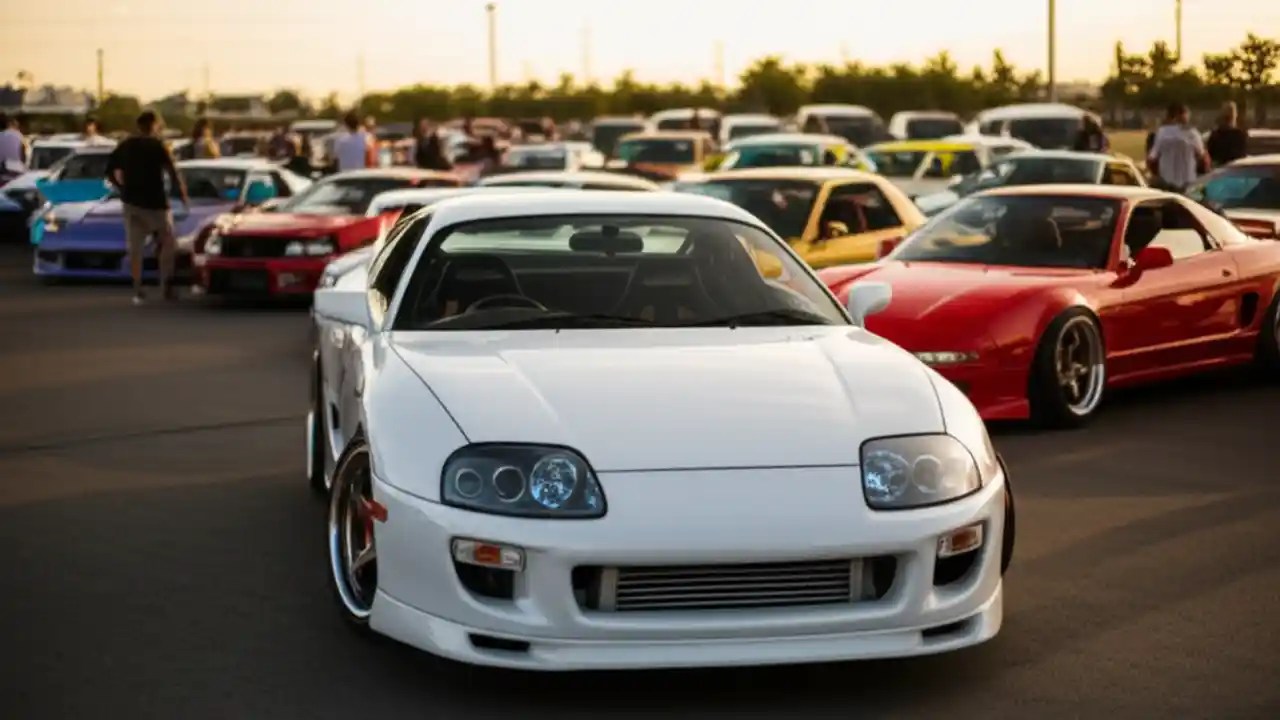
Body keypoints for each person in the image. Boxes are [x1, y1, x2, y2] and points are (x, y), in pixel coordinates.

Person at [105, 110, 189, 305]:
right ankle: (166, 285)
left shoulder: (125, 145)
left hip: (131, 204)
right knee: (168, 243)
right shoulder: (158, 145)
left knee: (135, 247)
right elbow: (173, 172)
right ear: (155, 125)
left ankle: (138, 287)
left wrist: (122, 189)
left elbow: (110, 170)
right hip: (156, 203)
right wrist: (183, 195)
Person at [1148, 103, 1209, 193]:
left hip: (1166, 183)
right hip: (1188, 183)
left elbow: (1152, 158)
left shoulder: (1162, 132)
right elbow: (1203, 158)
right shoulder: (1192, 134)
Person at [1206, 101, 1248, 168]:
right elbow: (1242, 155)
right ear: (1235, 115)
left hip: (1221, 172)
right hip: (1236, 171)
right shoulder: (1241, 134)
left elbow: (1210, 155)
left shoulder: (1216, 134)